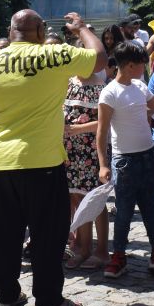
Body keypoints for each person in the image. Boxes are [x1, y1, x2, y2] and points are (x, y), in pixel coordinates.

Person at [0, 10, 105, 306]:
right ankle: (48, 300)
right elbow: (98, 58)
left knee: (3, 235)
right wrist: (81, 28)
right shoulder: (53, 53)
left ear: (10, 29)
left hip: (0, 161)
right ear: (41, 30)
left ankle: (7, 295)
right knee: (47, 234)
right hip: (42, 160)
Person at [98, 42, 154, 279]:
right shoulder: (109, 93)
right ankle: (119, 255)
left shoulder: (140, 85)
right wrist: (103, 163)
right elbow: (102, 130)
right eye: (141, 64)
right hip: (123, 160)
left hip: (148, 156)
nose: (144, 68)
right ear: (128, 66)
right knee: (124, 212)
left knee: (151, 208)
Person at [61, 68, 107, 269]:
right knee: (76, 197)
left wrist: (78, 129)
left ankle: (101, 249)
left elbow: (106, 121)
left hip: (90, 150)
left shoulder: (100, 87)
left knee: (95, 199)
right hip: (69, 150)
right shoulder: (69, 82)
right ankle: (82, 245)